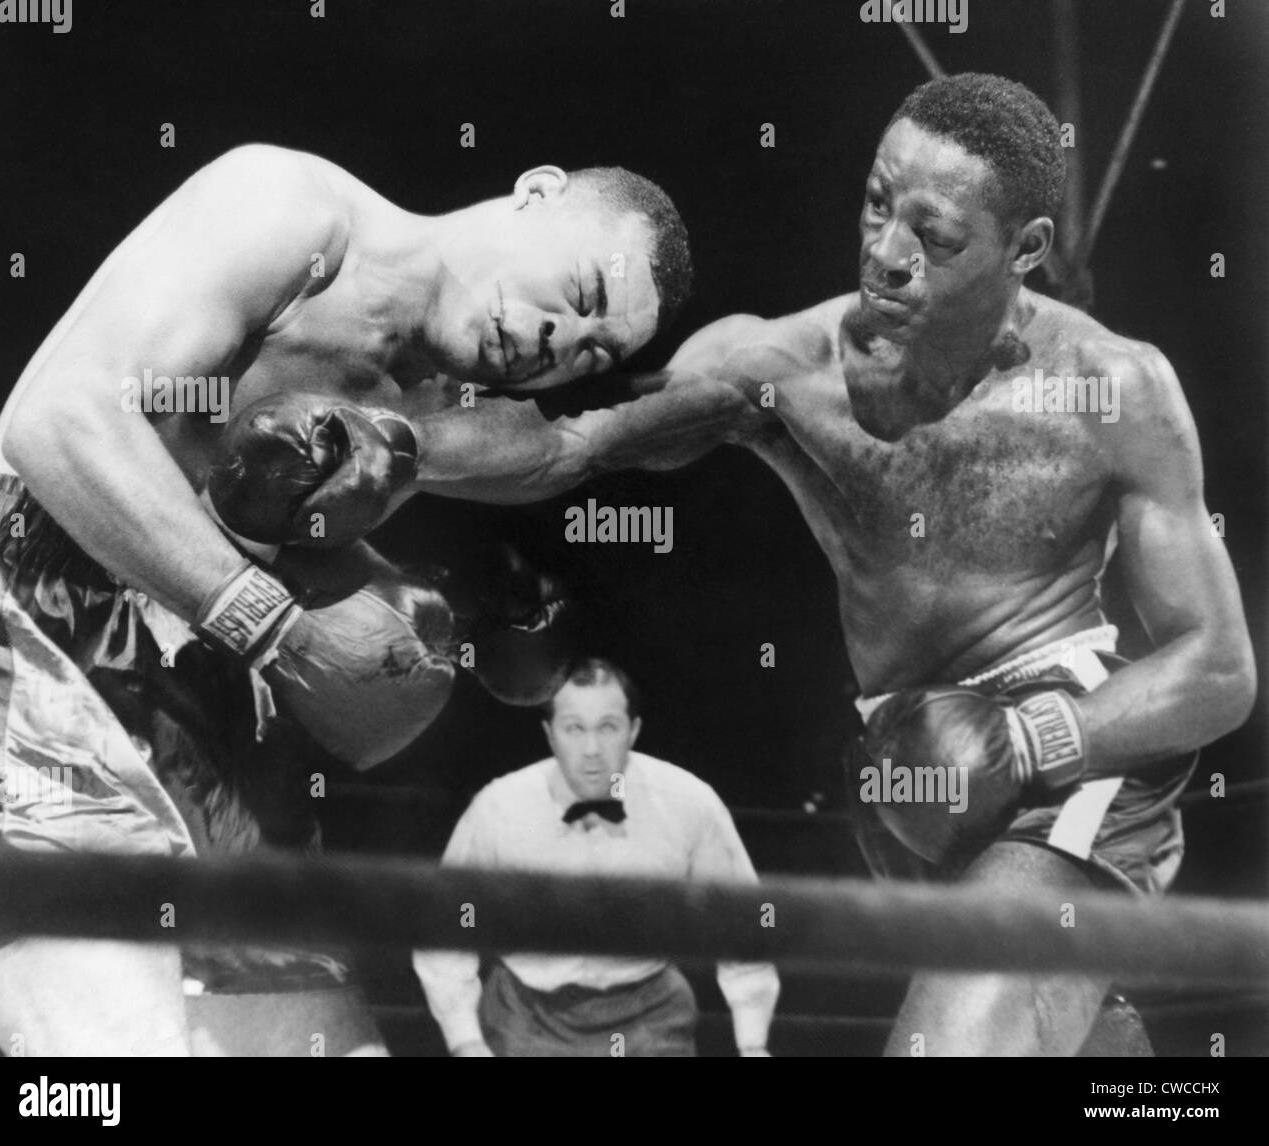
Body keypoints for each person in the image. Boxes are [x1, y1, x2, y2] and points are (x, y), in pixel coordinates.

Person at [411, 73, 1257, 1055]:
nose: (886, 254)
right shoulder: (781, 373)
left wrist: (1025, 742)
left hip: (1073, 763)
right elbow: (571, 448)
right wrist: (400, 435)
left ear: (1025, 249)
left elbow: (1218, 671)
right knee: (1062, 1038)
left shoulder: (1109, 387)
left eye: (934, 236)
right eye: (875, 203)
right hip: (899, 778)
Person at [0, 144, 690, 1055]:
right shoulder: (295, 211)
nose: (559, 339)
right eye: (581, 291)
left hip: (208, 691)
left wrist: (434, 619)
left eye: (590, 350)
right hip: (21, 618)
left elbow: (593, 446)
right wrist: (268, 623)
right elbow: (60, 424)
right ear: (537, 193)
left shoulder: (426, 413)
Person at [413, 658, 780, 1057]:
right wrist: (465, 1040)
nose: (592, 750)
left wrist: (753, 1042)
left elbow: (742, 920)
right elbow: (445, 928)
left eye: (608, 727)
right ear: (550, 734)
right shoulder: (498, 808)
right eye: (575, 728)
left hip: (650, 1014)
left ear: (633, 731)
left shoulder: (689, 802)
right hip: (527, 1014)